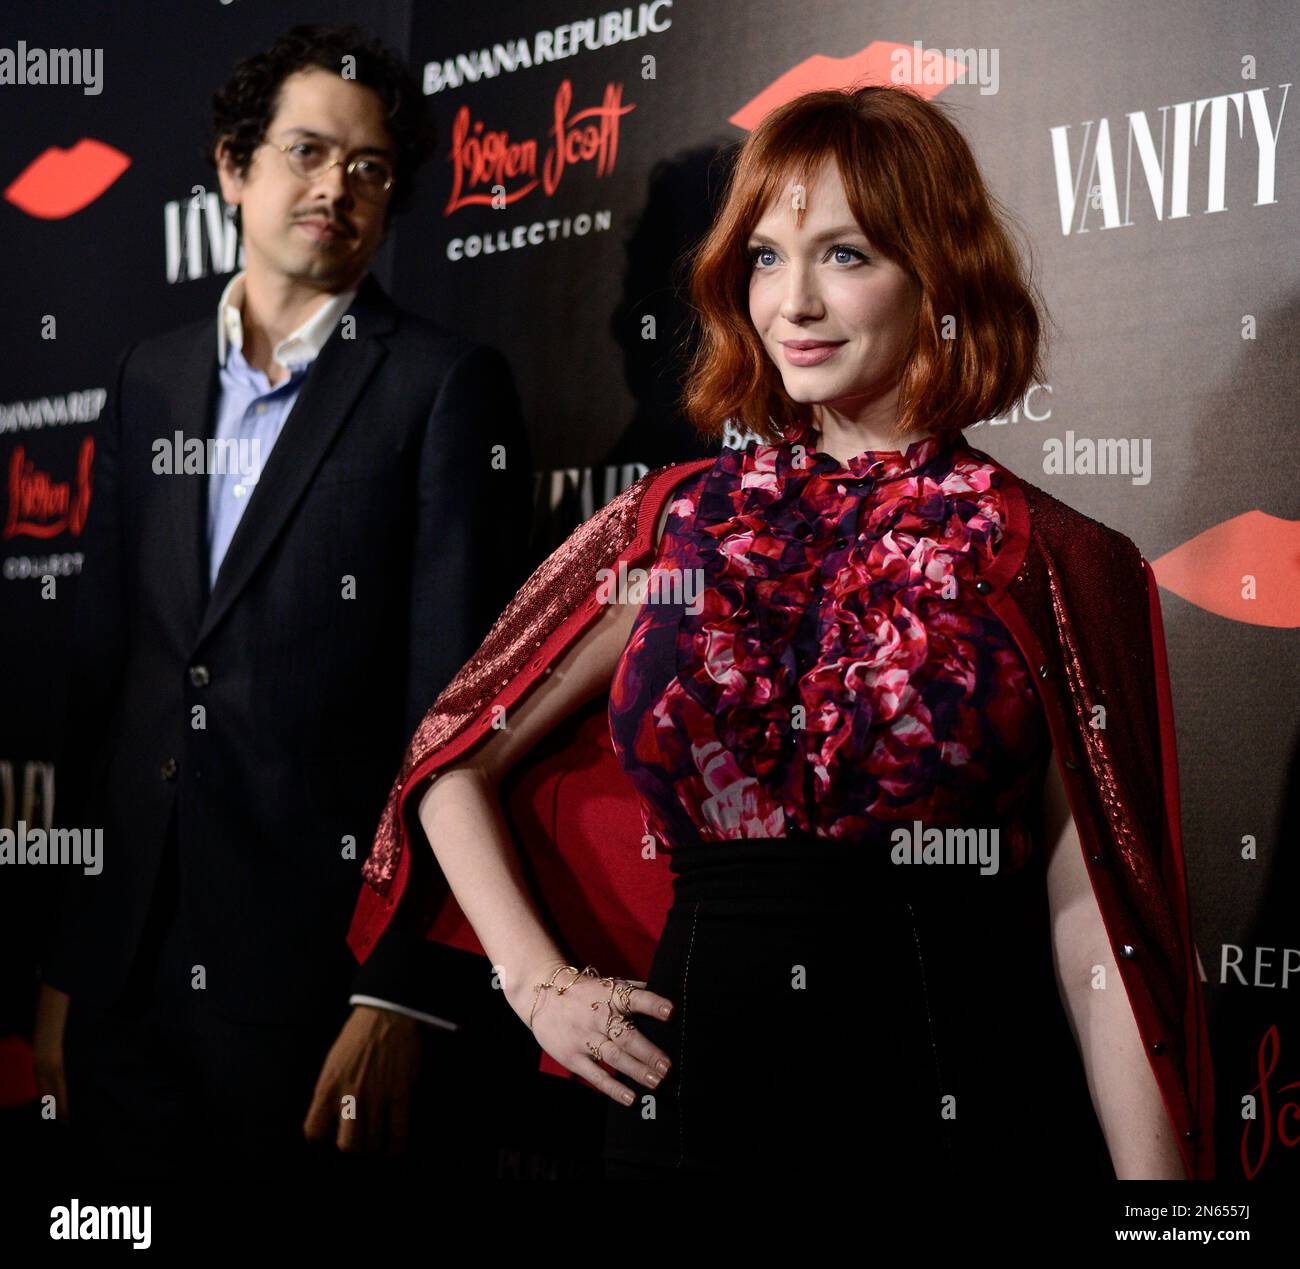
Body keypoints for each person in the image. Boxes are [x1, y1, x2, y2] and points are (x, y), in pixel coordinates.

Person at [348, 84, 1214, 1180]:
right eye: (764, 257)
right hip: (684, 1104)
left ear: (940, 276)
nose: (793, 301)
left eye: (845, 255)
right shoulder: (677, 523)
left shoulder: (1044, 551)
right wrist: (537, 987)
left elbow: (1101, 928)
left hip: (956, 1105)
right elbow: (453, 761)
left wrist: (1162, 1211)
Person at [33, 24, 534, 1179]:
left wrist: (403, 995)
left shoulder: (445, 387)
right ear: (232, 168)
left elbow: (451, 713)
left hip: (313, 988)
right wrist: (63, 964)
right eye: (308, 151)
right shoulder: (146, 377)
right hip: (122, 979)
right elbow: (105, 680)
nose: (336, 187)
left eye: (369, 167)